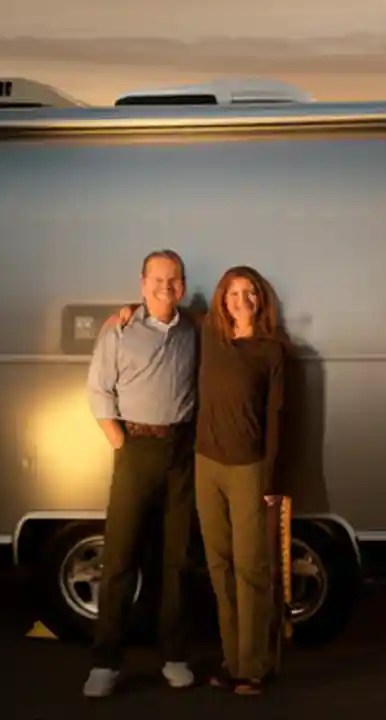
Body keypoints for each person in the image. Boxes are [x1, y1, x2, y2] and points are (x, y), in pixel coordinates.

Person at [111, 265, 288, 695]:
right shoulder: (209, 334)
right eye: (232, 293)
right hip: (206, 465)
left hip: (248, 470)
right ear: (221, 300)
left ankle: (254, 667)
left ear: (260, 300)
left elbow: (278, 418)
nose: (241, 301)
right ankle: (231, 660)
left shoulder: (272, 350)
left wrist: (271, 479)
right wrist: (131, 308)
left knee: (251, 570)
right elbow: (164, 307)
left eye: (249, 293)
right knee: (218, 566)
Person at [84, 249, 200, 698]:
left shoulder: (195, 329)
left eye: (173, 280)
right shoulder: (121, 329)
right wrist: (121, 443)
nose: (165, 287)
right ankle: (105, 663)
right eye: (157, 280)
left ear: (183, 286)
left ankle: (174, 657)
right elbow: (98, 391)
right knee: (120, 559)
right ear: (141, 283)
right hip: (135, 449)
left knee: (177, 560)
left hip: (182, 453)